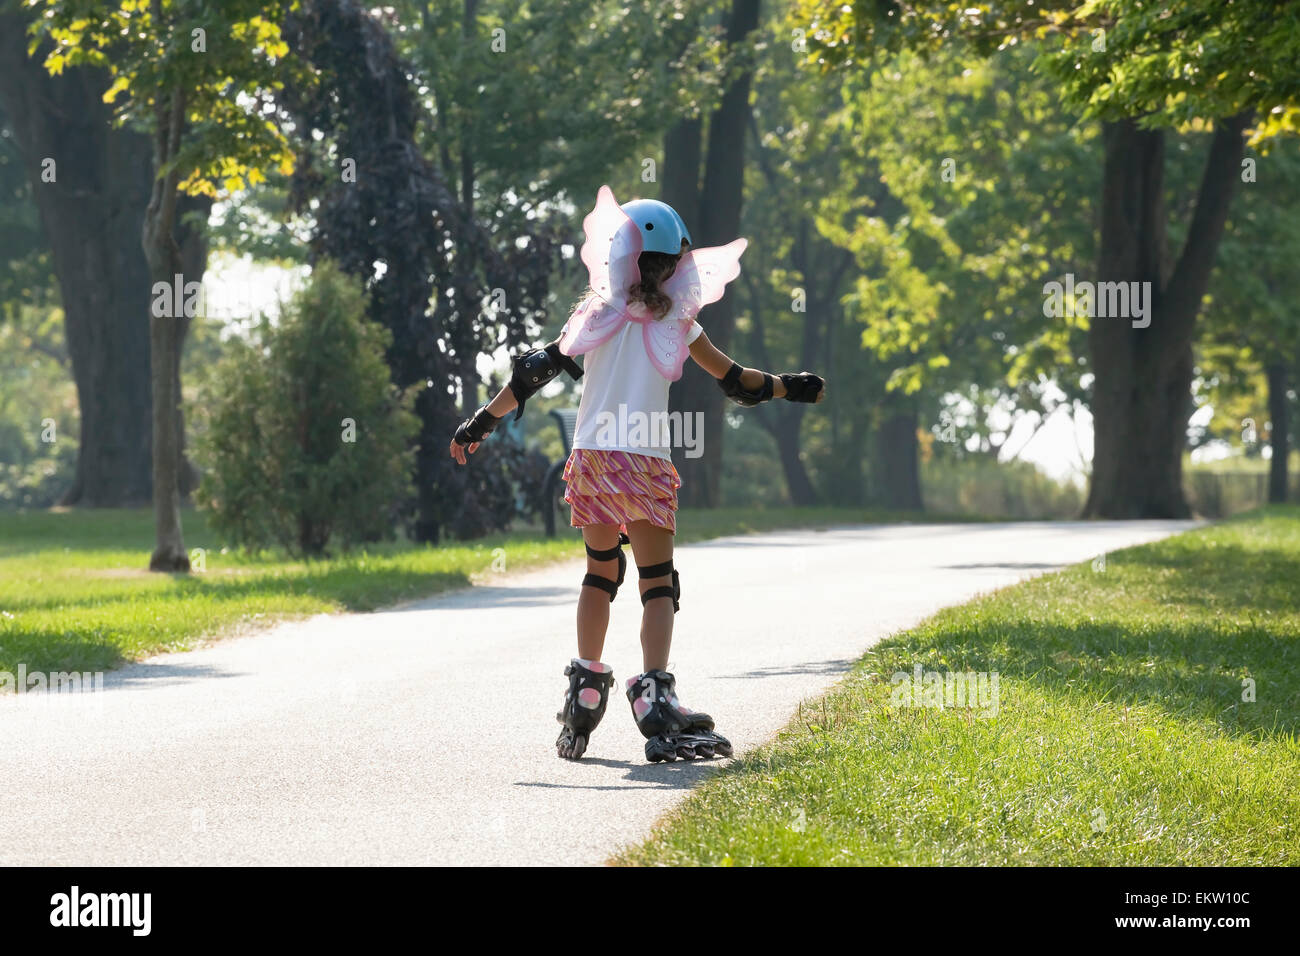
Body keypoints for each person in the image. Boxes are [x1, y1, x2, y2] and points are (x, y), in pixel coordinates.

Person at [450, 185, 826, 762]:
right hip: (645, 460)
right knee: (658, 584)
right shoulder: (679, 320)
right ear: (676, 262)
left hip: (594, 458)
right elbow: (735, 382)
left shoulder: (593, 314)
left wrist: (480, 423)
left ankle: (584, 694)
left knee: (601, 574)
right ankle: (654, 698)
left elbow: (532, 372)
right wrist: (787, 387)